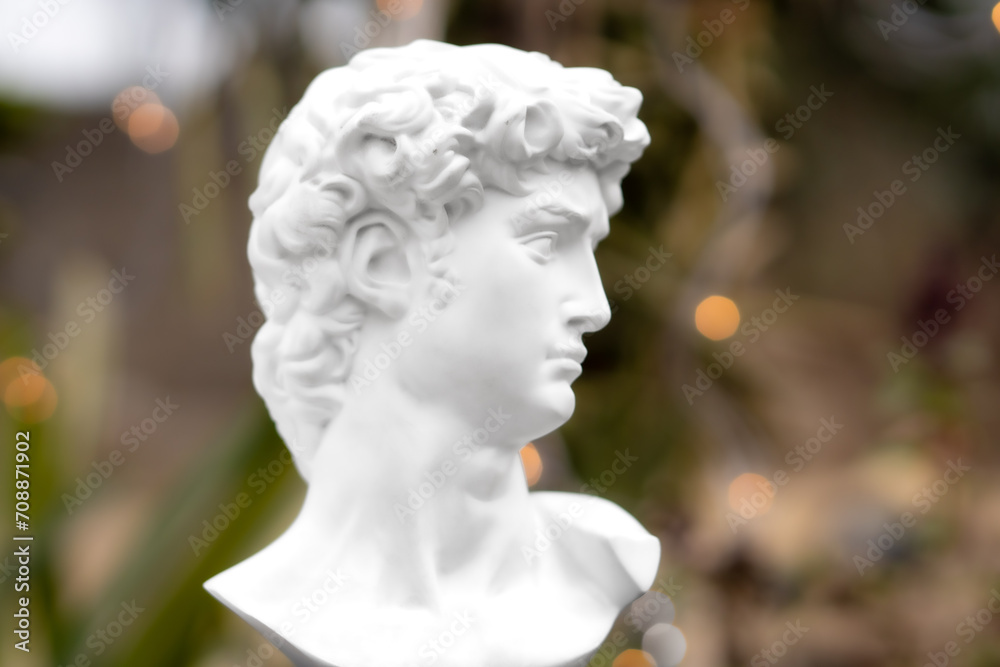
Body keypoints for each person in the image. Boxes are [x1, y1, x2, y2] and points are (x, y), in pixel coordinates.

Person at [205, 39, 660, 667]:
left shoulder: (602, 557)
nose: (595, 305)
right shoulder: (288, 603)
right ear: (383, 263)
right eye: (548, 240)